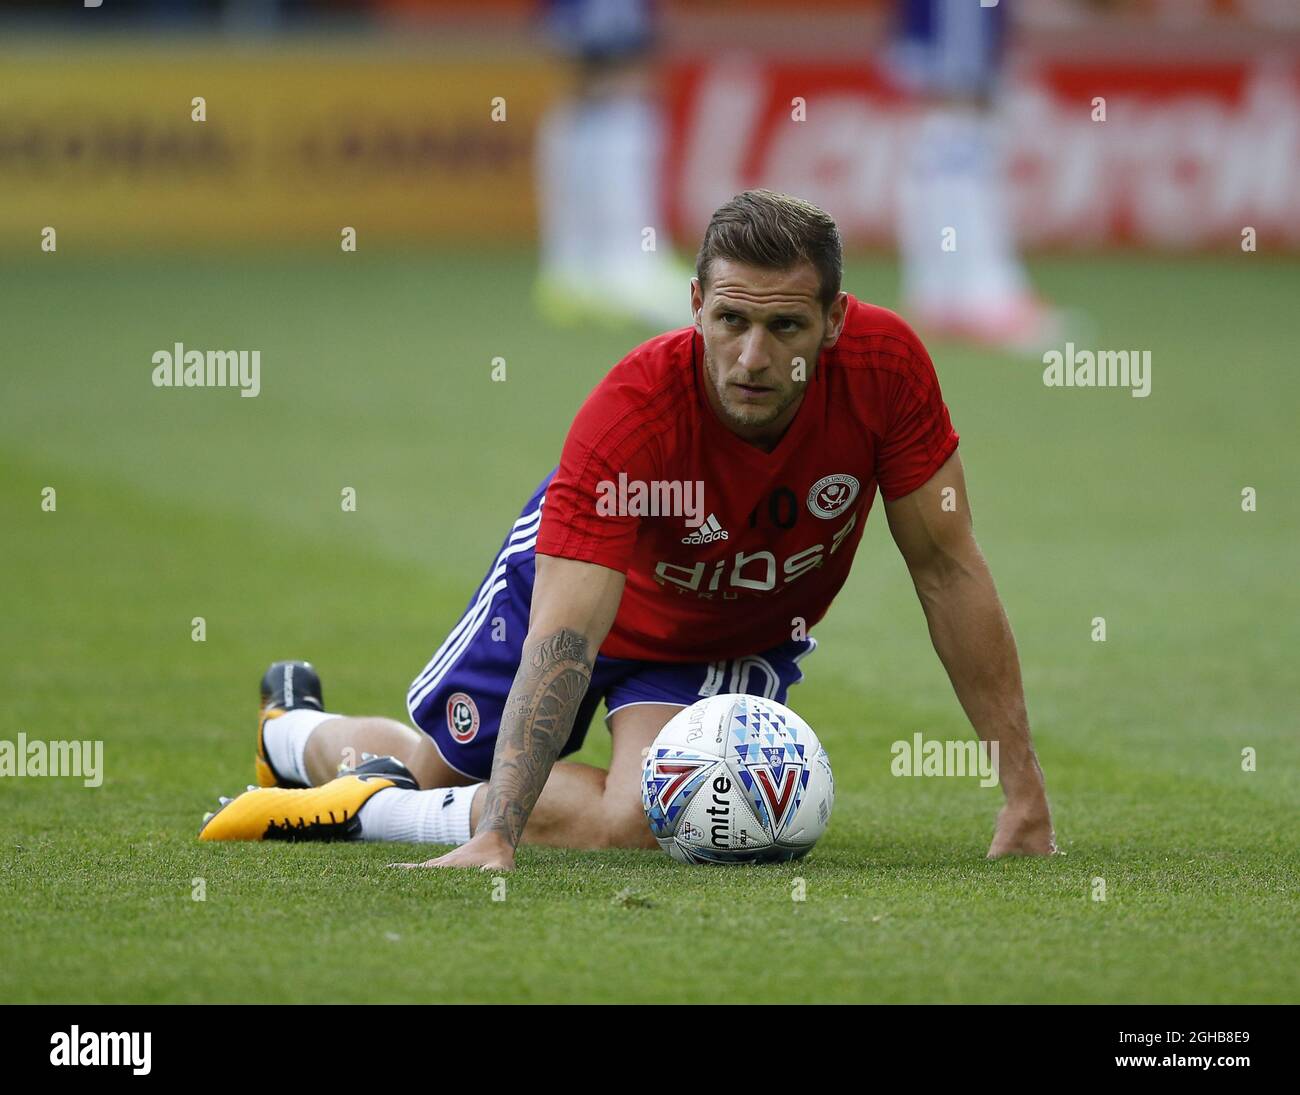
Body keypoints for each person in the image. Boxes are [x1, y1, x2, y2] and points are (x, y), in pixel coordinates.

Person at [200, 189, 1056, 870]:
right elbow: (568, 634)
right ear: (695, 306)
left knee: (642, 816)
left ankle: (368, 812)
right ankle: (292, 732)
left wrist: (1023, 794)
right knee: (443, 765)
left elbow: (948, 570)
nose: (752, 357)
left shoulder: (887, 368)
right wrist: (495, 832)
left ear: (834, 321)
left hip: (726, 630)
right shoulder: (632, 413)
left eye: (784, 327)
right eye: (731, 321)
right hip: (577, 587)